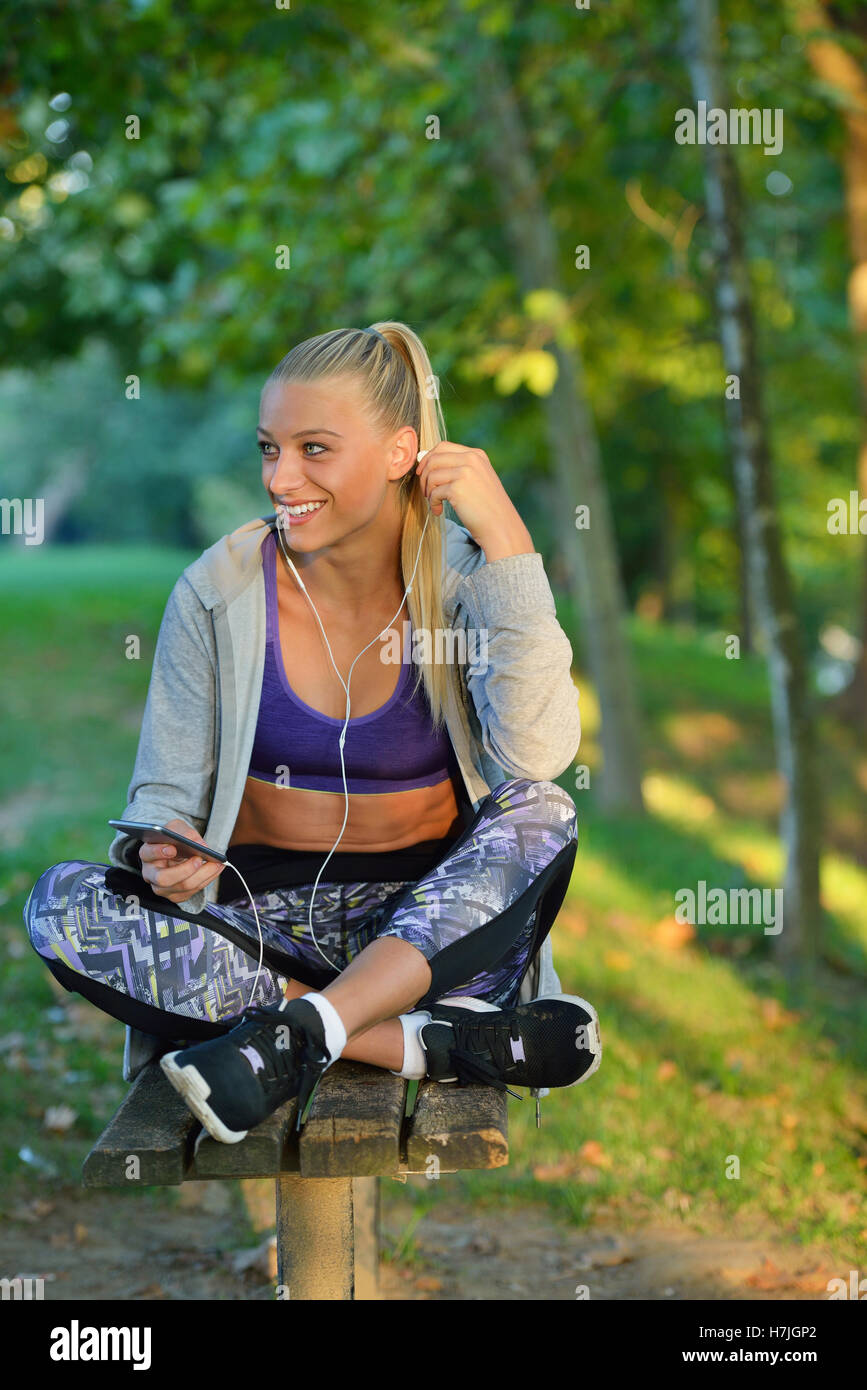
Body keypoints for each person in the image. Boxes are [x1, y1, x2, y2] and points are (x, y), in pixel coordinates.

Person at [23, 321, 602, 1146]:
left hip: (430, 938)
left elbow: (535, 753)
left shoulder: (467, 575)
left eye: (314, 449)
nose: (280, 477)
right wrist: (171, 842)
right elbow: (163, 789)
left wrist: (508, 543)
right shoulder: (219, 589)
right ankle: (421, 1044)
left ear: (402, 451)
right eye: (269, 449)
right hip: (264, 935)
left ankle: (298, 1035)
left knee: (544, 807)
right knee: (63, 906)